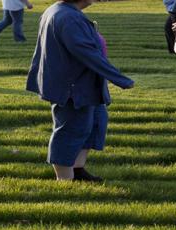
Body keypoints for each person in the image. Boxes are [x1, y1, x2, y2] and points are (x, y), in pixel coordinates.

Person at [27, 0, 134, 182]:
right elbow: (86, 53)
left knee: (94, 124)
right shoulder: (68, 17)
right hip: (73, 86)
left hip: (84, 83)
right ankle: (64, 180)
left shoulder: (64, 11)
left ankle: (77, 170)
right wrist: (119, 78)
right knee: (70, 131)